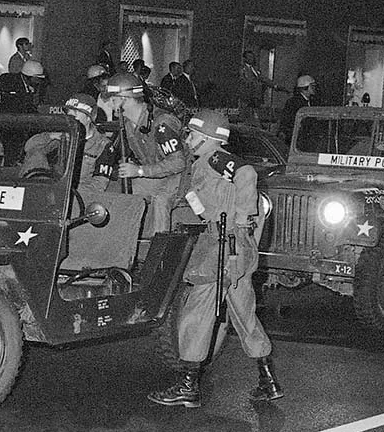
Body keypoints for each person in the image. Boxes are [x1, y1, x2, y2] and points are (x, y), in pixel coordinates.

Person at [149, 109, 279, 408]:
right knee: (244, 314)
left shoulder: (216, 158)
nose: (187, 139)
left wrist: (243, 219)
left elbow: (247, 174)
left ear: (207, 138)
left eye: (192, 135)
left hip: (223, 245)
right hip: (233, 246)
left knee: (196, 313)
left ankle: (188, 386)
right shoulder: (202, 163)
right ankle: (268, 380)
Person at [104, 72, 187, 232]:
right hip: (156, 175)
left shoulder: (161, 122)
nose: (110, 105)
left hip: (179, 177)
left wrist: (139, 171)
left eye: (113, 100)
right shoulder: (128, 124)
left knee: (161, 200)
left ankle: (159, 245)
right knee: (117, 192)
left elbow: (178, 163)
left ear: (126, 99)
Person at [277, 74, 316, 143]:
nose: (314, 88)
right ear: (305, 88)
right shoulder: (293, 102)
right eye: (312, 86)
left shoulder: (312, 101)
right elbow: (287, 122)